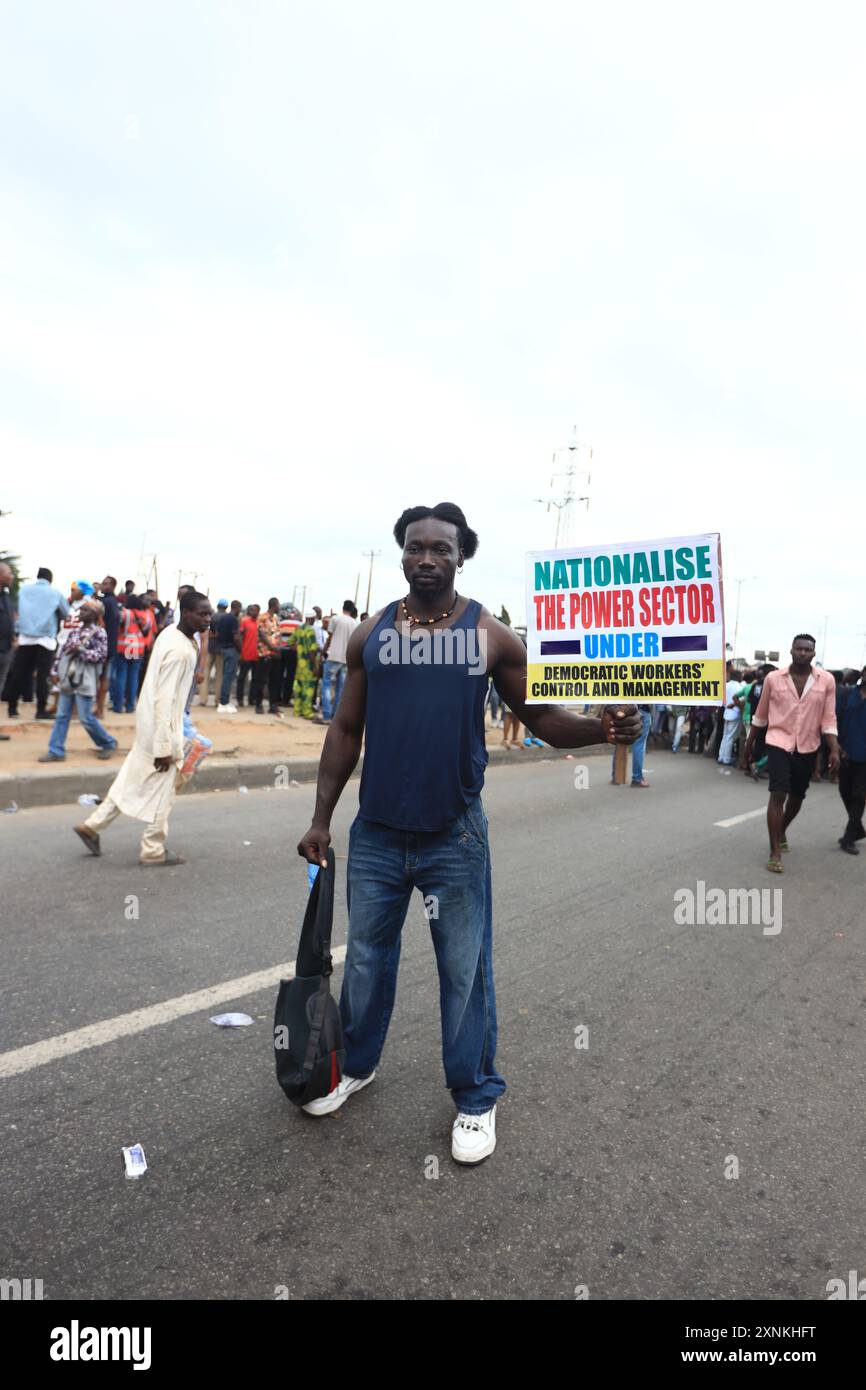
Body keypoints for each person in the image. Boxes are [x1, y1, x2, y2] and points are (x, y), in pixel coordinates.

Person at [296, 501, 640, 1164]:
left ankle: (476, 1097)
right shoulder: (371, 634)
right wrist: (320, 818)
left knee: (465, 969)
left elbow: (540, 714)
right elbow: (343, 730)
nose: (427, 558)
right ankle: (356, 1064)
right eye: (416, 548)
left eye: (441, 549)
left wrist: (602, 727)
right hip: (374, 836)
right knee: (367, 959)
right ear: (402, 554)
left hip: (453, 836)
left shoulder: (491, 636)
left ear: (462, 557)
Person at [73, 591, 213, 866]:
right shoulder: (181, 651)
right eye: (202, 613)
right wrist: (165, 747)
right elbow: (165, 699)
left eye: (209, 613)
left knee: (129, 778)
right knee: (165, 789)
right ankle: (153, 849)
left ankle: (92, 826)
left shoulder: (172, 634)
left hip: (148, 723)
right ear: (186, 614)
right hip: (164, 729)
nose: (208, 619)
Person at [744, 634, 839, 873]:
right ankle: (774, 851)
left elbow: (828, 718)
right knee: (778, 794)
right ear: (791, 650)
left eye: (808, 650)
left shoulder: (826, 681)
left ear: (814, 653)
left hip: (808, 745)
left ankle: (782, 829)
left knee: (796, 798)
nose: (803, 653)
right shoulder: (774, 679)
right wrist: (749, 743)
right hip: (778, 741)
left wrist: (834, 748)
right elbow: (761, 713)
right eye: (799, 649)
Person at [38, 600, 117, 762]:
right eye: (81, 610)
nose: (81, 613)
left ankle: (108, 742)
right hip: (69, 678)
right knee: (62, 716)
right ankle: (56, 751)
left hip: (85, 679)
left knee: (85, 717)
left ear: (95, 614)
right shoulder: (74, 632)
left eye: (85, 610)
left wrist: (80, 651)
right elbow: (62, 653)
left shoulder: (99, 633)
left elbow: (101, 656)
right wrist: (55, 670)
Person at [5, 567, 69, 720]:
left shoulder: (24, 590)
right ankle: (41, 710)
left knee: (19, 673)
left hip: (25, 637)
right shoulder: (55, 593)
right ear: (50, 579)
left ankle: (12, 708)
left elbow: (17, 610)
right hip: (45, 639)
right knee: (42, 676)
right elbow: (66, 613)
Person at [836, 665, 866, 855]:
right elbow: (834, 719)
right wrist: (836, 746)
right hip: (845, 752)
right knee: (844, 790)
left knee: (858, 794)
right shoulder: (847, 695)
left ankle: (849, 837)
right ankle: (857, 828)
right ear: (863, 674)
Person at [315, 599, 358, 724]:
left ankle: (326, 715)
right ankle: (335, 716)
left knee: (326, 684)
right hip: (346, 659)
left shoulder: (336, 619)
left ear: (343, 607)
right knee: (340, 688)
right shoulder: (355, 623)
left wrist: (323, 652)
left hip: (334, 656)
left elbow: (330, 637)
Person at [113, 595, 153, 713]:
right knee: (134, 677)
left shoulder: (125, 613)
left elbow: (117, 624)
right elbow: (147, 631)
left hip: (125, 644)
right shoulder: (146, 615)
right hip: (138, 646)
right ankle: (131, 706)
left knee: (121, 676)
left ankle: (118, 706)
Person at [94, 576, 121, 718]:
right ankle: (100, 710)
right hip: (111, 645)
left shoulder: (105, 602)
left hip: (103, 645)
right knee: (104, 677)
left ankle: (99, 710)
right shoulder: (114, 602)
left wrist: (95, 595)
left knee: (101, 677)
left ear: (112, 586)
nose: (102, 586)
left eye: (105, 584)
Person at [252, 597, 282, 714]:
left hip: (275, 654)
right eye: (278, 605)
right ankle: (258, 705)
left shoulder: (275, 619)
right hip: (264, 654)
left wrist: (278, 649)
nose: (279, 607)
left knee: (274, 681)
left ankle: (273, 705)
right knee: (261, 681)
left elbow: (277, 635)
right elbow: (262, 634)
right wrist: (273, 647)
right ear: (274, 605)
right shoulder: (262, 618)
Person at [611, 703, 652, 785]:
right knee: (639, 744)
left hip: (623, 708)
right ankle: (637, 778)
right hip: (641, 709)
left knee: (621, 739)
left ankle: (617, 776)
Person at [215, 600, 242, 712]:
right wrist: (240, 649)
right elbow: (236, 637)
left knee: (225, 675)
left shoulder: (223, 618)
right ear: (237, 608)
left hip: (222, 648)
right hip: (231, 649)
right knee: (228, 676)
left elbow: (217, 633)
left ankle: (224, 701)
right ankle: (224, 702)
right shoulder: (233, 619)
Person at [291, 613, 319, 719]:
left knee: (299, 688)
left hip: (300, 666)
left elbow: (290, 642)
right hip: (308, 665)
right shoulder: (310, 631)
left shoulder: (299, 629)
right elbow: (312, 651)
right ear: (311, 619)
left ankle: (297, 711)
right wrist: (315, 667)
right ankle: (307, 712)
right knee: (308, 689)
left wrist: (299, 650)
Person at [0, 562, 16, 736]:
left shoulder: (5, 595)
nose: (11, 577)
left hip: (5, 650)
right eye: (8, 574)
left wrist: (13, 637)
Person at [717, 663, 742, 766]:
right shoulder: (739, 687)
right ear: (739, 677)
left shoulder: (726, 686)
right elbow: (741, 701)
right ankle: (726, 758)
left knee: (725, 735)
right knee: (730, 737)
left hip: (726, 713)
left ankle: (721, 756)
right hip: (735, 714)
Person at [236, 603, 260, 706]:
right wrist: (241, 651)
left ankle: (252, 699)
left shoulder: (260, 623)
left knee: (255, 679)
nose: (254, 612)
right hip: (245, 655)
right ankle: (240, 699)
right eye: (252, 610)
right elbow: (240, 637)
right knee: (242, 678)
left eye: (256, 610)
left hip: (257, 656)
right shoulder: (244, 622)